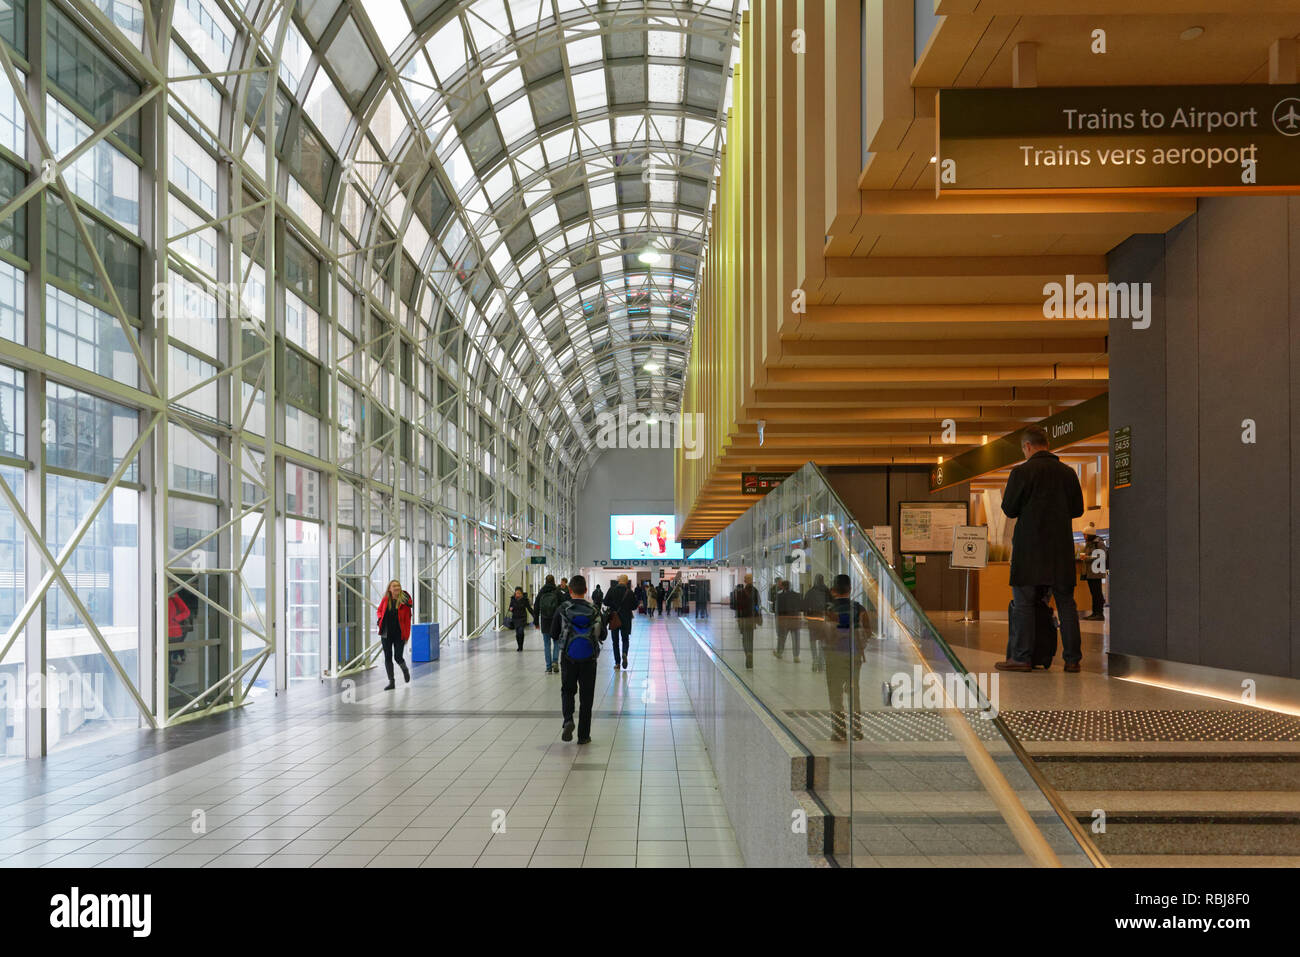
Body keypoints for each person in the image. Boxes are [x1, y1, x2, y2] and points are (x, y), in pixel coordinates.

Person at [998, 425, 1086, 673]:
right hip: (1060, 550)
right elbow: (1077, 510)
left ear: (1027, 446)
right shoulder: (1068, 473)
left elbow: (1009, 509)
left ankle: (1022, 657)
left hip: (1029, 551)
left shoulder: (1021, 472)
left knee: (1024, 603)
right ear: (1046, 444)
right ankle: (1072, 659)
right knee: (1066, 603)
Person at [552, 574, 603, 745]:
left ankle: (568, 721)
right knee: (586, 697)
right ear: (586, 590)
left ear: (570, 590)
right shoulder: (594, 610)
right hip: (589, 659)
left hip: (568, 658)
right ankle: (583, 736)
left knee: (567, 690)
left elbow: (553, 633)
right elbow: (603, 634)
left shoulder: (562, 609)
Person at [822, 574, 872, 741]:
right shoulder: (859, 608)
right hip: (854, 655)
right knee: (853, 691)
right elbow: (868, 632)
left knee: (835, 693)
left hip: (834, 656)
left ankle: (839, 730)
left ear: (833, 590)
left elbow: (823, 634)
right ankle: (856, 729)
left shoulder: (829, 609)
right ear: (850, 589)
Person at [376, 579, 412, 690]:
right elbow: (379, 610)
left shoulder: (405, 601)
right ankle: (391, 682)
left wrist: (406, 635)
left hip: (399, 634)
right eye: (394, 586)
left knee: (397, 656)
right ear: (390, 588)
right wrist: (380, 619)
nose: (396, 587)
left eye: (398, 585)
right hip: (386, 633)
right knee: (387, 657)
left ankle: (405, 669)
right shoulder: (386, 599)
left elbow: (407, 620)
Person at [603, 573, 637, 670]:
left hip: (614, 618)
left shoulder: (612, 590)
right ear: (626, 582)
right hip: (626, 619)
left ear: (618, 581)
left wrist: (613, 605)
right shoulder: (629, 592)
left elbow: (605, 602)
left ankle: (617, 663)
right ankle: (625, 653)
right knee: (625, 639)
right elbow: (634, 606)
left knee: (615, 641)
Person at [535, 575, 564, 673]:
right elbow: (563, 605)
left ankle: (548, 666)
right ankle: (555, 661)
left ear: (545, 581)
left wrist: (536, 622)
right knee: (556, 642)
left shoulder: (541, 592)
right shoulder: (557, 592)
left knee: (546, 644)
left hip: (544, 621)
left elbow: (536, 607)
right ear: (554, 581)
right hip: (556, 621)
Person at [802, 573, 831, 672]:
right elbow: (831, 605)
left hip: (813, 621)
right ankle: (821, 663)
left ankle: (814, 660)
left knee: (813, 641)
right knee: (822, 642)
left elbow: (804, 606)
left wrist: (806, 616)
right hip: (823, 620)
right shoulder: (827, 591)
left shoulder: (810, 592)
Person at [732, 573, 761, 669]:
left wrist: (738, 618)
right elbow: (757, 606)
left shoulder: (741, 592)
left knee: (745, 638)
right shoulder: (755, 591)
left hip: (743, 618)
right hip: (751, 618)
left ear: (745, 581)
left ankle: (747, 653)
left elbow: (738, 607)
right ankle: (750, 655)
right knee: (750, 638)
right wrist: (757, 616)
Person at [773, 578, 804, 662]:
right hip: (795, 619)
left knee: (782, 637)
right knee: (796, 639)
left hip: (784, 620)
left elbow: (776, 610)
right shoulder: (798, 595)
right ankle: (796, 656)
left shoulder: (779, 596)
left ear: (783, 587)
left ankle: (779, 653)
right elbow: (801, 607)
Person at [1081, 527, 1107, 621]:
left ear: (1090, 534)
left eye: (1085, 534)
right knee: (1094, 593)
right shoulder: (1089, 543)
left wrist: (1087, 558)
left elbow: (1101, 556)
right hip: (1090, 572)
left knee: (1097, 594)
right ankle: (1095, 613)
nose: (1084, 536)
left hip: (1096, 572)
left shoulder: (1098, 542)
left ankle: (1099, 614)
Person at [508, 586, 535, 652]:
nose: (518, 595)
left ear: (522, 593)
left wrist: (535, 616)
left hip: (522, 618)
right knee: (517, 634)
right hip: (515, 618)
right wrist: (510, 609)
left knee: (521, 632)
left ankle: (521, 646)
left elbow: (529, 609)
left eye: (519, 593)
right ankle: (519, 646)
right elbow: (510, 608)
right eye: (517, 593)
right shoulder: (513, 599)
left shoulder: (525, 600)